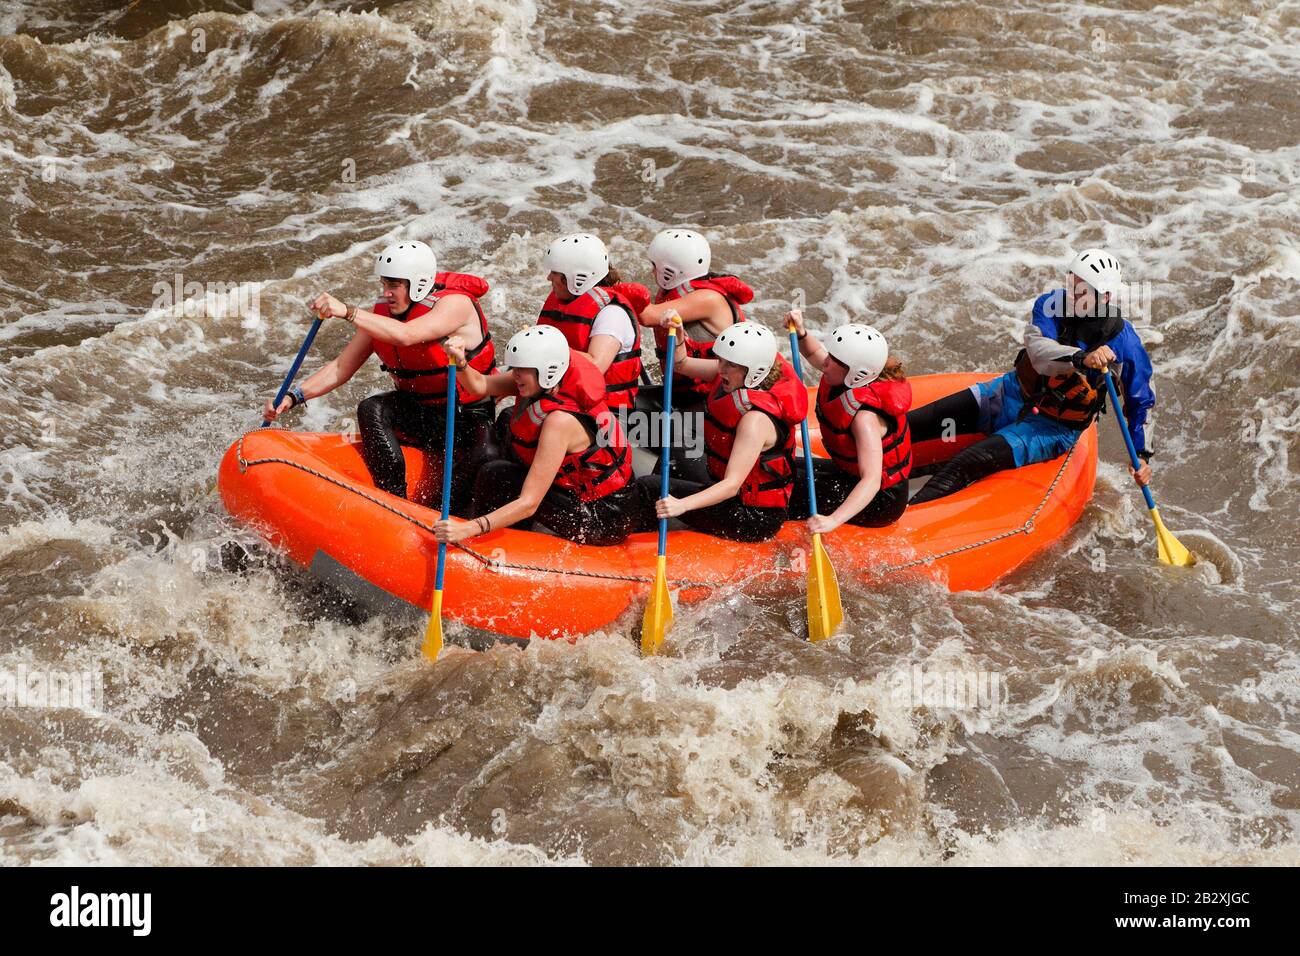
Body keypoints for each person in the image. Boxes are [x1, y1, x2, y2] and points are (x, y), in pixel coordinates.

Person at [263, 240, 498, 510]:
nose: (386, 293)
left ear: (418, 283)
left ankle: (453, 516)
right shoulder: (383, 314)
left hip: (465, 416)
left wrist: (348, 312)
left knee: (486, 456)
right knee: (371, 408)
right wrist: (293, 397)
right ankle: (394, 501)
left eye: (393, 285)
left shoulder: (456, 305)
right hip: (422, 414)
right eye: (383, 284)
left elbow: (408, 335)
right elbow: (341, 367)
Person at [907, 248, 1155, 502]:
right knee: (911, 424)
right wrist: (1081, 358)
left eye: (1080, 291)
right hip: (1008, 393)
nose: (1071, 294)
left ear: (1104, 297)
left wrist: (1142, 456)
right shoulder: (1051, 304)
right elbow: (1038, 352)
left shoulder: (1125, 342)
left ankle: (908, 521)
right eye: (1071, 283)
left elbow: (1141, 400)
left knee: (965, 462)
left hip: (1051, 427)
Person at [433, 325, 638, 547]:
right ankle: (486, 524)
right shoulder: (537, 380)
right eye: (515, 367)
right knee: (502, 437)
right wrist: (461, 362)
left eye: (522, 369)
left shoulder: (560, 421)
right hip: (573, 493)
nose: (515, 374)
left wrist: (468, 529)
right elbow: (479, 385)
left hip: (602, 515)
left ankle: (485, 541)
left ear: (548, 370)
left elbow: (529, 503)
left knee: (497, 476)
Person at [635, 319, 808, 542]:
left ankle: (633, 537)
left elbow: (731, 486)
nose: (721, 368)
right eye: (721, 360)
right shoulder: (736, 375)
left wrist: (681, 505)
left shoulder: (755, 421)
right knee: (678, 453)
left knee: (649, 487)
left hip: (753, 516)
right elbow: (682, 364)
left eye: (730, 364)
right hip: (726, 488)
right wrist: (678, 336)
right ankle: (654, 523)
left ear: (754, 371)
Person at [786, 310, 912, 530]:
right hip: (847, 475)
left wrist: (833, 520)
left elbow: (871, 480)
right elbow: (815, 352)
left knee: (783, 487)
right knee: (780, 468)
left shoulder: (865, 418)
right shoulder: (843, 375)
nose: (826, 362)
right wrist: (802, 333)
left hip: (880, 501)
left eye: (834, 359)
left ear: (857, 373)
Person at [635, 228, 754, 412]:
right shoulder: (683, 292)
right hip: (685, 392)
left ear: (670, 272)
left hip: (712, 396)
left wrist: (612, 289)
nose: (652, 271)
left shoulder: (707, 299)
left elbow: (648, 316)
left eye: (654, 266)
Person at [536, 233, 649, 410]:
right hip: (568, 401)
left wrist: (543, 349)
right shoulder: (563, 303)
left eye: (555, 273)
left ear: (576, 278)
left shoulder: (612, 314)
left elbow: (595, 365)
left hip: (608, 413)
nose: (549, 278)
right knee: (507, 416)